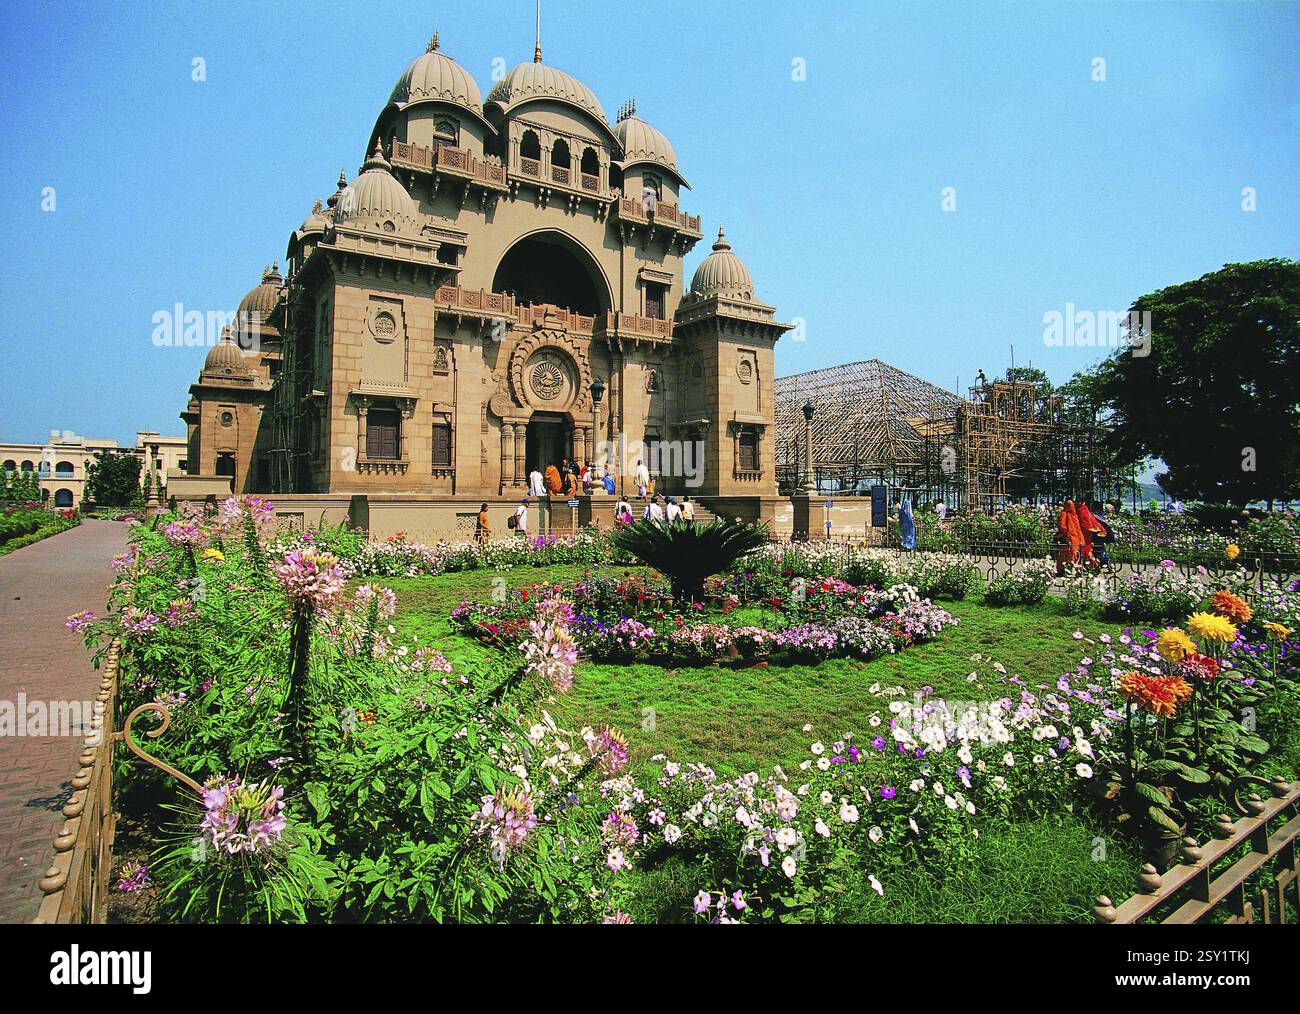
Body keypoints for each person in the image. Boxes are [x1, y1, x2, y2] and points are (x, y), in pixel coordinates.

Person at [1077, 500, 1105, 569]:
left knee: (1085, 549)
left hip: (1084, 534)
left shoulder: (1082, 510)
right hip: (1088, 533)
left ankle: (1093, 564)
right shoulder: (1086, 511)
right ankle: (1093, 564)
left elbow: (1084, 523)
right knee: (1087, 549)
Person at [1056, 500, 1083, 575]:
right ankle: (1072, 568)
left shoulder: (1065, 514)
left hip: (1070, 537)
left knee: (1066, 553)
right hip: (1074, 537)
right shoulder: (1073, 514)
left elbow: (1062, 526)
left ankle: (1065, 569)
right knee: (1072, 553)